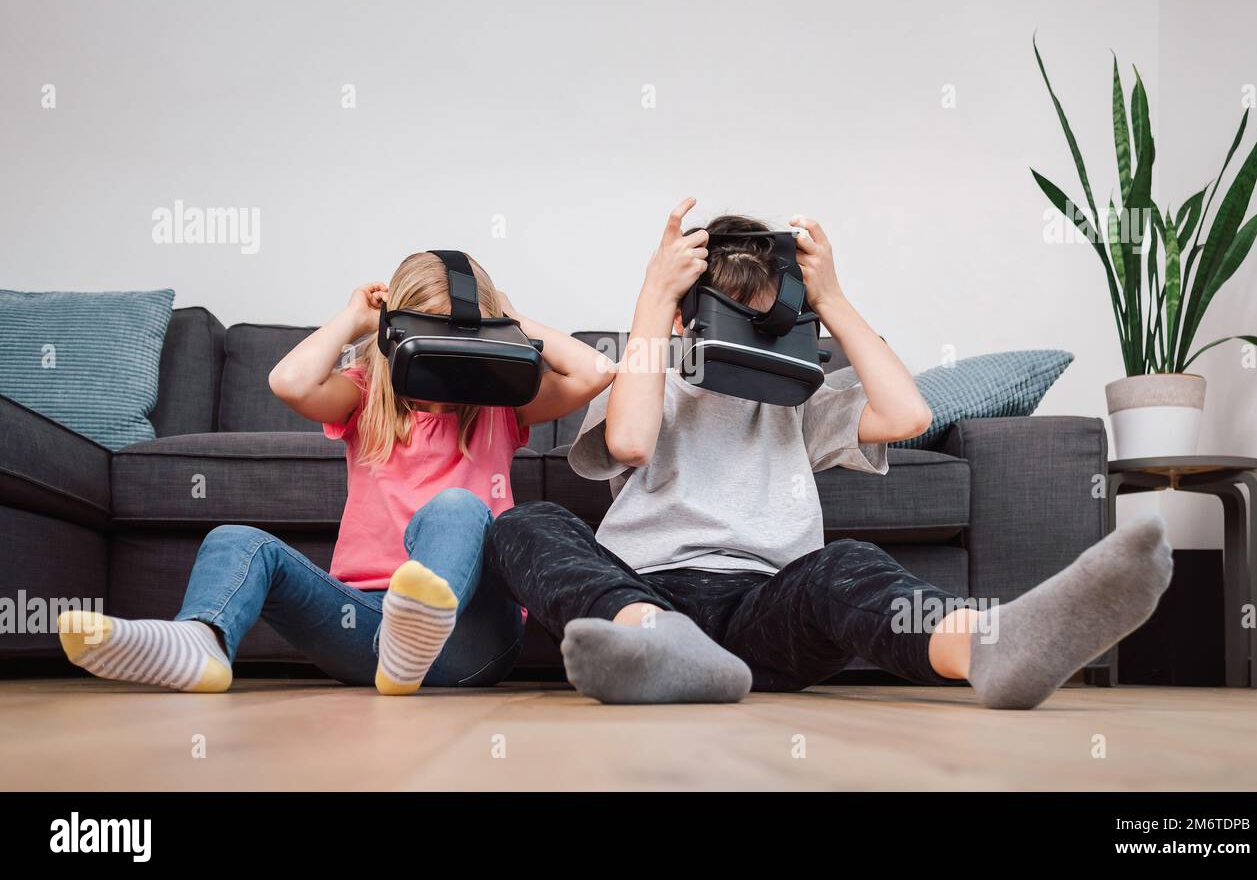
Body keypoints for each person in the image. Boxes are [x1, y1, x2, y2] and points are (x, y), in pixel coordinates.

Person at [486, 200, 1172, 708]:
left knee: (846, 563)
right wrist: (655, 294)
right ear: (682, 321)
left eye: (765, 322)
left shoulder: (799, 405)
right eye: (731, 318)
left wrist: (833, 298)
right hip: (645, 596)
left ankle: (988, 646)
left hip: (765, 607)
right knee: (524, 523)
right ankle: (660, 648)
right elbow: (630, 440)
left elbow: (909, 414)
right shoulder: (649, 379)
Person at [58, 251, 614, 695]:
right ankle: (200, 640)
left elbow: (595, 369)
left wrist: (508, 323)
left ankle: (416, 628)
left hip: (469, 634)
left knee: (457, 508)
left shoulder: (501, 408)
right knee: (236, 541)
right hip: (365, 630)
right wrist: (353, 318)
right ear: (397, 339)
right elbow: (289, 383)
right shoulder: (363, 395)